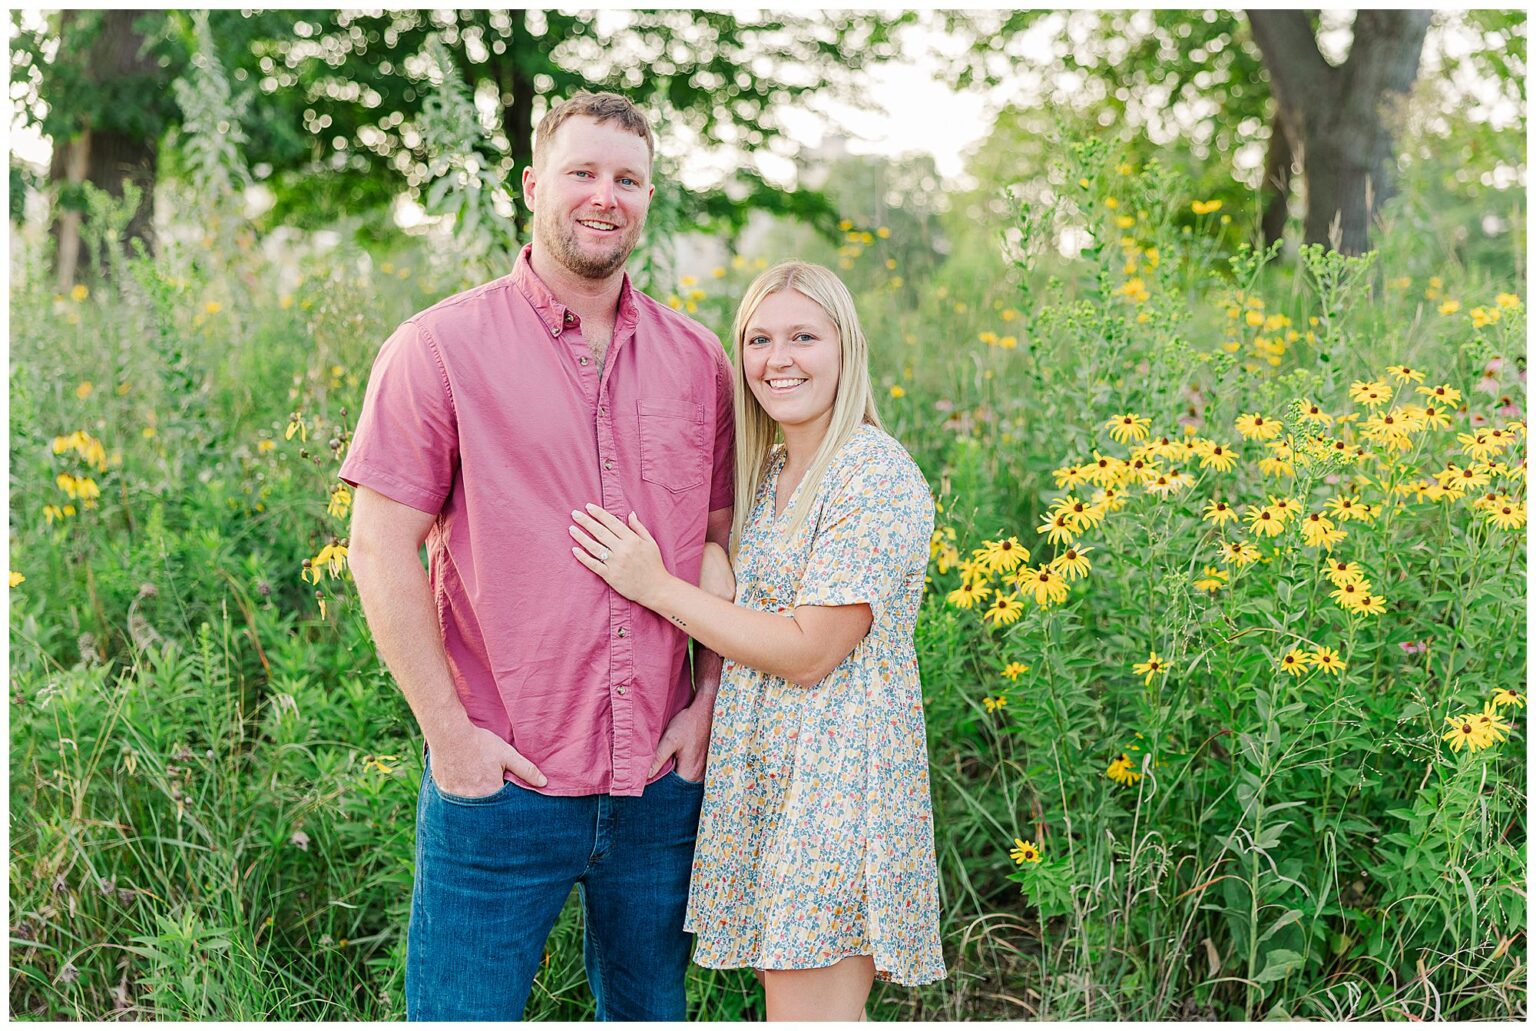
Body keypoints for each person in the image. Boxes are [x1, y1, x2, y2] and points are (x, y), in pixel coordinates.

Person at [340, 91, 734, 1021]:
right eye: (583, 173)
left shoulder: (700, 360)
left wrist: (710, 701)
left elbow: (724, 542)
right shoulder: (437, 349)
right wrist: (449, 736)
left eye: (628, 179)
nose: (606, 196)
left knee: (652, 1014)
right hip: (502, 780)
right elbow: (378, 547)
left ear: (649, 195)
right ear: (532, 186)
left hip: (659, 784)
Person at [568, 261, 946, 1020]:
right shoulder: (773, 470)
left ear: (846, 348)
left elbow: (809, 650)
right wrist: (711, 556)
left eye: (804, 336)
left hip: (838, 780)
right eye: (759, 339)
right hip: (772, 776)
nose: (779, 358)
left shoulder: (872, 474)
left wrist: (657, 586)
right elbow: (752, 596)